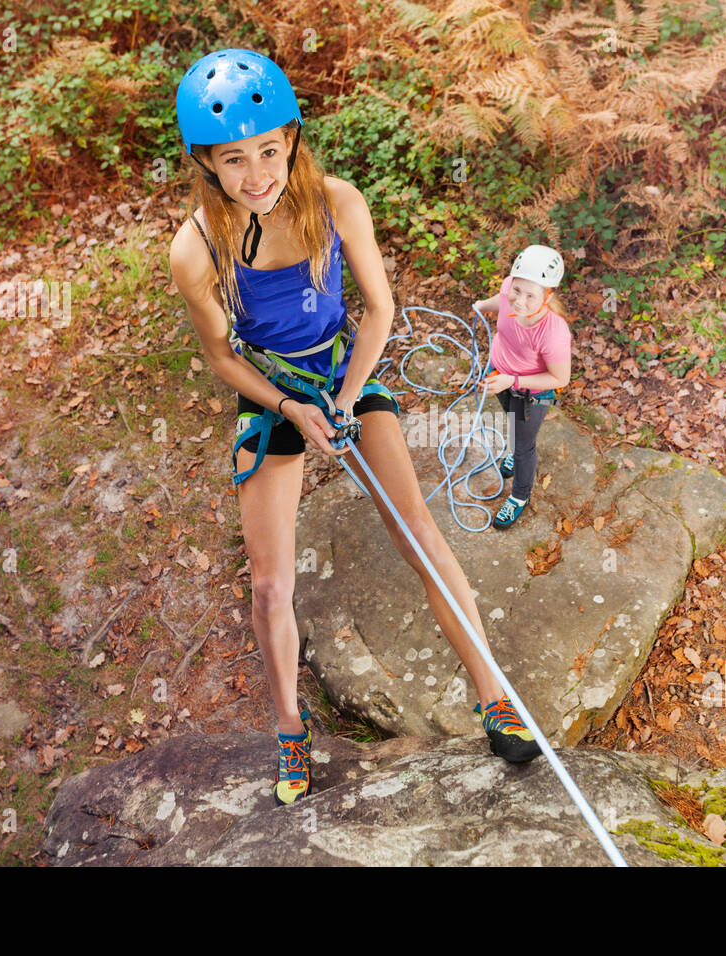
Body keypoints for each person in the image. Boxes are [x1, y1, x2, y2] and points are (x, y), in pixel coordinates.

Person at [167, 49, 541, 807]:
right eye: (234, 160)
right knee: (271, 584)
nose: (257, 173)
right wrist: (290, 408)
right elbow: (222, 359)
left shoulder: (338, 202)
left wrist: (344, 392)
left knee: (420, 538)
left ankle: (493, 695)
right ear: (204, 163)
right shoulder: (196, 250)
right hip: (276, 394)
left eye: (270, 149)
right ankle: (288, 729)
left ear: (294, 138)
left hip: (347, 374)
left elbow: (381, 311)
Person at [472, 245, 573, 528]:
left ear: (547, 296)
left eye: (531, 296)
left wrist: (512, 381)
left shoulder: (553, 332)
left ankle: (519, 495)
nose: (519, 301)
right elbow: (502, 299)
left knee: (525, 445)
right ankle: (513, 453)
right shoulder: (510, 289)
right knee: (513, 424)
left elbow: (560, 379)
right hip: (501, 379)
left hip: (530, 393)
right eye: (518, 290)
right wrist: (483, 305)